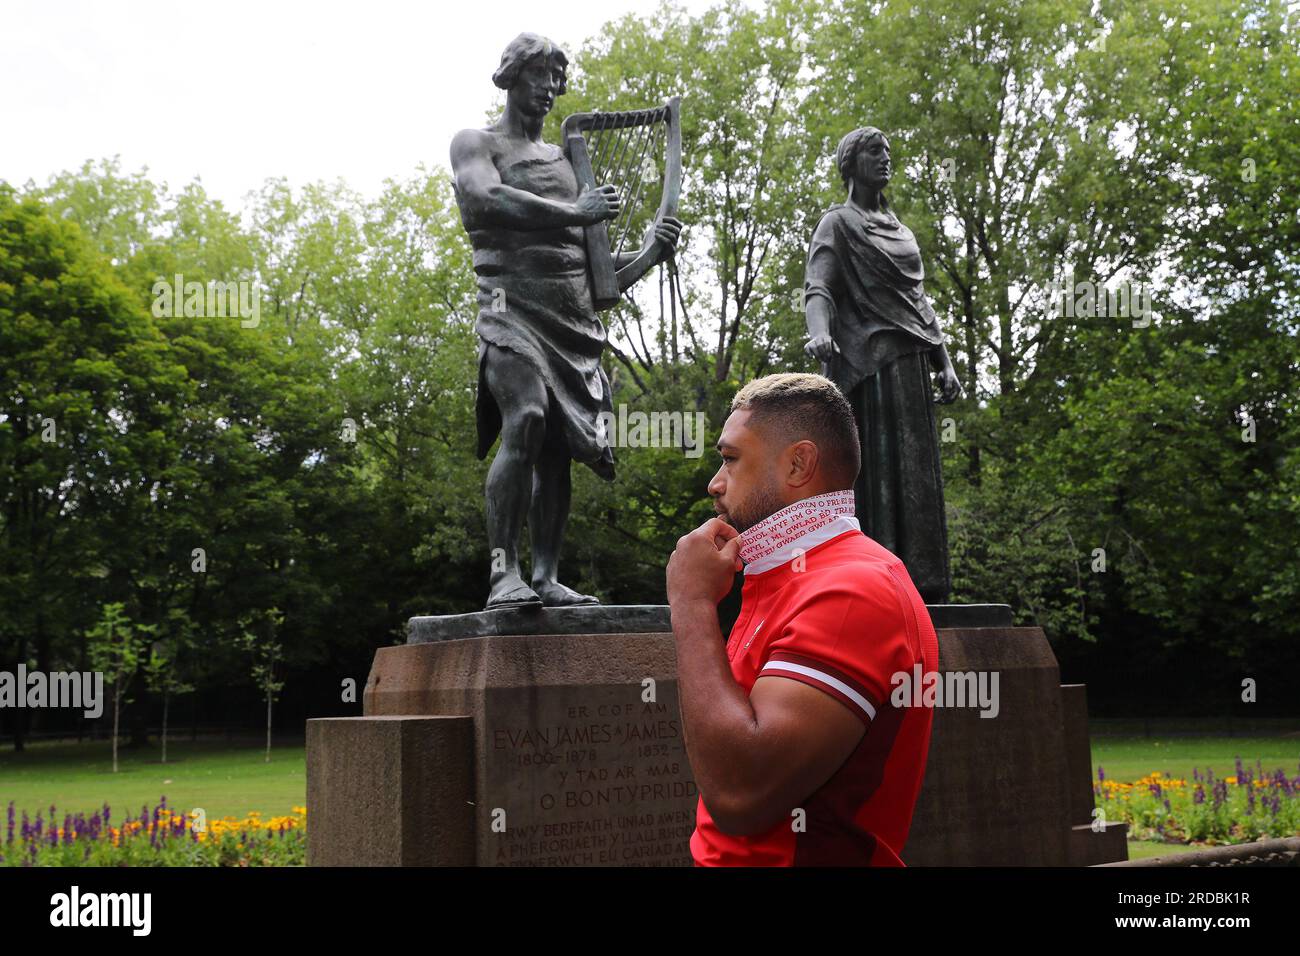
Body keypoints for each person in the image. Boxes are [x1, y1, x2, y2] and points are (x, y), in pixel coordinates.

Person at [666, 373, 939, 865]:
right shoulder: (789, 577)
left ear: (799, 463)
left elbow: (740, 796)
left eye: (730, 458)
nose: (715, 482)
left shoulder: (852, 590)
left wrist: (691, 604)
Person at [450, 33, 681, 608]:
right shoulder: (475, 143)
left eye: (557, 80)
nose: (548, 90)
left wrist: (650, 253)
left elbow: (594, 275)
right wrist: (575, 211)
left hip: (571, 322)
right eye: (539, 77)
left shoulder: (566, 162)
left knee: (557, 451)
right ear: (511, 76)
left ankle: (547, 577)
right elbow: (484, 200)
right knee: (524, 418)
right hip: (509, 312)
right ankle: (505, 573)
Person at [803, 126, 960, 604]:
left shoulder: (901, 231)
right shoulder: (838, 223)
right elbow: (819, 287)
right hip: (865, 366)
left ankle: (923, 579)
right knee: (875, 469)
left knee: (914, 470)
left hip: (911, 363)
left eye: (888, 151)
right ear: (852, 162)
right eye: (875, 151)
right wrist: (820, 331)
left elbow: (919, 303)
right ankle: (874, 576)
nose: (885, 159)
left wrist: (944, 361)